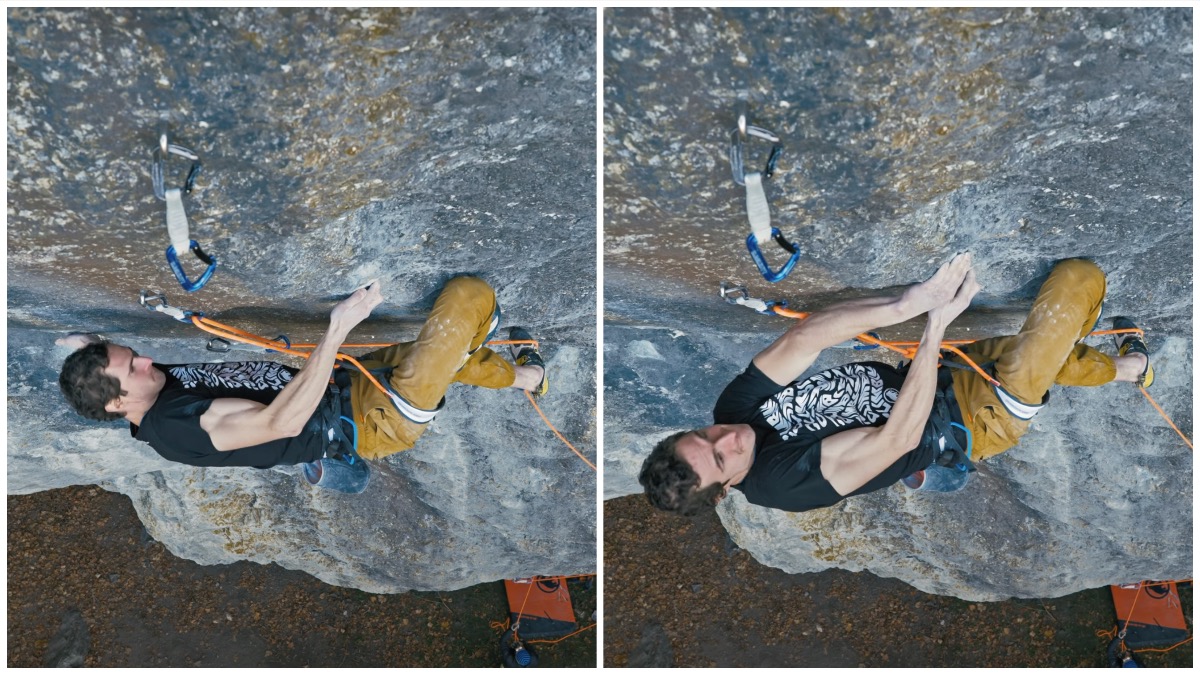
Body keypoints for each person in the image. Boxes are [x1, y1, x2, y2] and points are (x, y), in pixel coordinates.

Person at [639, 254, 1153, 515]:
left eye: (704, 436)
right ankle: (1110, 352)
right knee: (1076, 281)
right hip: (972, 419)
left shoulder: (731, 412)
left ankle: (1122, 366)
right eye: (723, 458)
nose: (728, 437)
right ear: (726, 488)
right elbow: (899, 439)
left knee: (1031, 348)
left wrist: (911, 303)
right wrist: (936, 326)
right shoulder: (781, 484)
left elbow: (807, 337)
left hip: (935, 374)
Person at [58, 276, 548, 491]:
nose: (145, 360)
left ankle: (527, 376)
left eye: (133, 355)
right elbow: (282, 420)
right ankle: (487, 345)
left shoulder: (142, 387)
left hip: (342, 386)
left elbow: (108, 363)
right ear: (121, 404)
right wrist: (338, 328)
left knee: (435, 357)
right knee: (468, 297)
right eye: (133, 367)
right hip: (374, 420)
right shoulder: (176, 427)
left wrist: (84, 347)